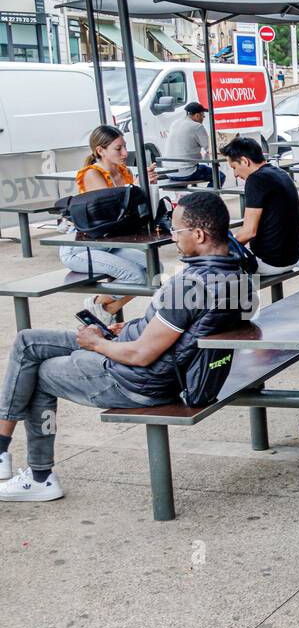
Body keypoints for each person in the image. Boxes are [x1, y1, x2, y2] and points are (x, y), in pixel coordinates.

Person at [0, 192, 257, 500]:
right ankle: (2, 452)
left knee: (40, 374)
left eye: (176, 230)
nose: (172, 236)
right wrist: (129, 328)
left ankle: (40, 477)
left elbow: (141, 354)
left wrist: (96, 343)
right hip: (154, 358)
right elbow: (175, 330)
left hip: (141, 380)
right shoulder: (236, 270)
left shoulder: (191, 285)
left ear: (199, 234)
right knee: (28, 342)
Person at [58, 125, 158, 325]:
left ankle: (102, 308)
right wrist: (137, 186)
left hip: (109, 244)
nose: (124, 153)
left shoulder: (125, 172)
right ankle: (99, 305)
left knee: (156, 269)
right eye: (118, 148)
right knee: (136, 277)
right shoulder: (91, 174)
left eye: (125, 146)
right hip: (81, 248)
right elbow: (113, 212)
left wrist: (145, 186)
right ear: (100, 151)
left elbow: (134, 211)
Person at [222, 137, 299, 274]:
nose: (235, 174)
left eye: (234, 167)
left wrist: (221, 250)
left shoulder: (256, 180)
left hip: (270, 262)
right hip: (291, 258)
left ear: (245, 161)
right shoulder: (281, 173)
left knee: (212, 268)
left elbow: (249, 232)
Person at [163, 102, 224, 186]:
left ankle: (199, 197)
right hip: (186, 172)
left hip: (170, 172)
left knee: (197, 167)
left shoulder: (175, 123)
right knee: (220, 176)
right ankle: (206, 199)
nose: (203, 118)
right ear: (197, 115)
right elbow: (209, 148)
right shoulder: (197, 126)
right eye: (203, 116)